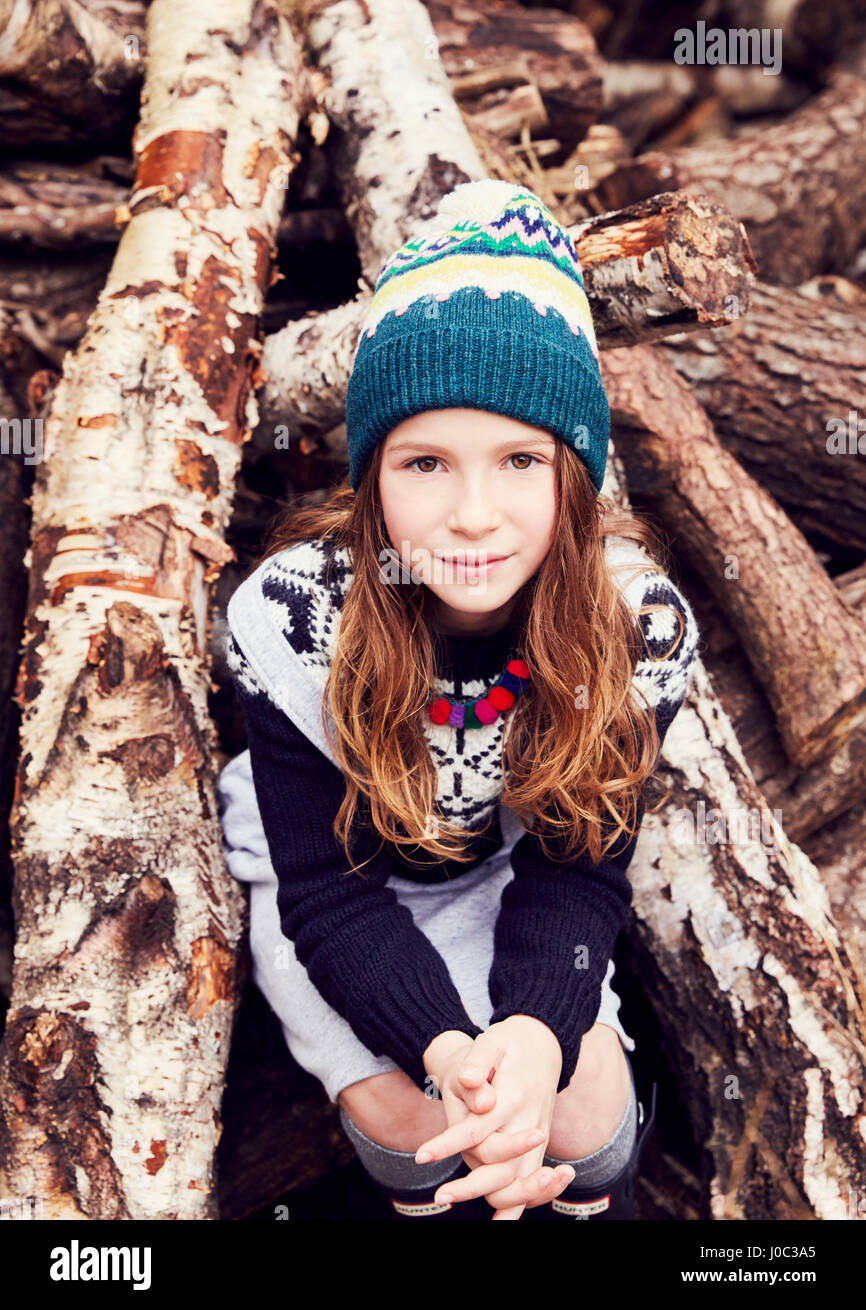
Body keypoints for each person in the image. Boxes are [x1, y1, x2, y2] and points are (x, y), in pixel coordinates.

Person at [217, 179, 699, 1221]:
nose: (472, 517)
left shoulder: (634, 628)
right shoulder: (297, 618)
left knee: (587, 1137)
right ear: (368, 473)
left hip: (506, 859)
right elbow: (328, 892)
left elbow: (576, 875)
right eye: (425, 461)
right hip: (347, 881)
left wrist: (531, 1034)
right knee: (418, 1141)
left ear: (572, 475)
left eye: (519, 459)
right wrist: (449, 1057)